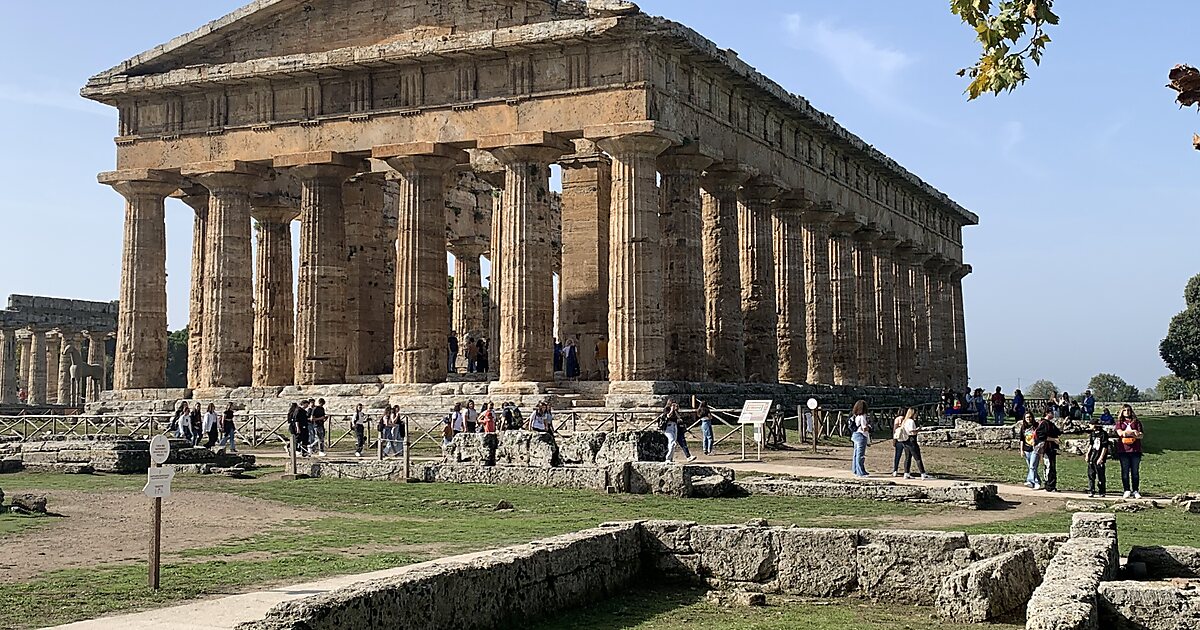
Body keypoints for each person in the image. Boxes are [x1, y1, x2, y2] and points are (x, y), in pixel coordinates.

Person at [1114, 404, 1145, 499]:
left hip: (1135, 450)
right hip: (1124, 450)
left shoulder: (1136, 422)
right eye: (1125, 410)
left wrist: (1133, 434)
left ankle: (1135, 490)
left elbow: (1141, 435)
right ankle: (1126, 489)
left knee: (1135, 471)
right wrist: (1132, 432)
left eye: (1128, 410)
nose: (1127, 412)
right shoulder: (1120, 422)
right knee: (1125, 471)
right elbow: (1120, 433)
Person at [897, 408, 929, 479]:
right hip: (911, 440)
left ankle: (906, 473)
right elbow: (912, 431)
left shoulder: (905, 421)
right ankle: (923, 473)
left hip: (905, 440)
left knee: (908, 457)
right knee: (917, 457)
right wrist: (918, 430)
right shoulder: (911, 421)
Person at [1035, 411, 1062, 492]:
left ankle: (1052, 485)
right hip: (1046, 449)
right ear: (1047, 413)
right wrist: (1054, 439)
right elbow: (1041, 436)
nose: (1053, 414)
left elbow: (1058, 432)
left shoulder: (1050, 423)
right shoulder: (1043, 423)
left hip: (1052, 449)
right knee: (1048, 466)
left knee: (1052, 467)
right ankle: (1049, 485)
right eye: (1051, 413)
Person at [1086, 419, 1111, 498]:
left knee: (1100, 475)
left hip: (1099, 456)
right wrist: (1087, 454)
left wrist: (1101, 458)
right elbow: (1091, 444)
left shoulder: (1103, 434)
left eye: (1091, 424)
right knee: (1091, 474)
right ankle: (1091, 490)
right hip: (1092, 457)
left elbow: (1104, 447)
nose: (1090, 426)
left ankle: (1102, 491)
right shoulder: (1092, 434)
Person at [1018, 412, 1042, 489]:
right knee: (1031, 467)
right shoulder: (1023, 427)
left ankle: (1034, 482)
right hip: (1026, 449)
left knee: (1032, 466)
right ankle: (1034, 481)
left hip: (1035, 449)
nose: (1028, 419)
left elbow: (1040, 437)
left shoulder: (1036, 426)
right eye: (1027, 417)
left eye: (1030, 417)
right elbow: (1022, 439)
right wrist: (1021, 450)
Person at [850, 400, 871, 478]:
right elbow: (864, 427)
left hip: (855, 435)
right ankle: (860, 472)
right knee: (860, 455)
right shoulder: (863, 416)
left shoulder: (856, 416)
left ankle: (855, 469)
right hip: (861, 435)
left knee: (856, 454)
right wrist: (869, 428)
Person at [890, 412, 906, 477]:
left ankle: (895, 470)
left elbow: (894, 430)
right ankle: (906, 471)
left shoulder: (897, 419)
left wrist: (894, 439)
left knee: (897, 455)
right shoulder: (907, 419)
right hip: (905, 438)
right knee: (907, 456)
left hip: (899, 438)